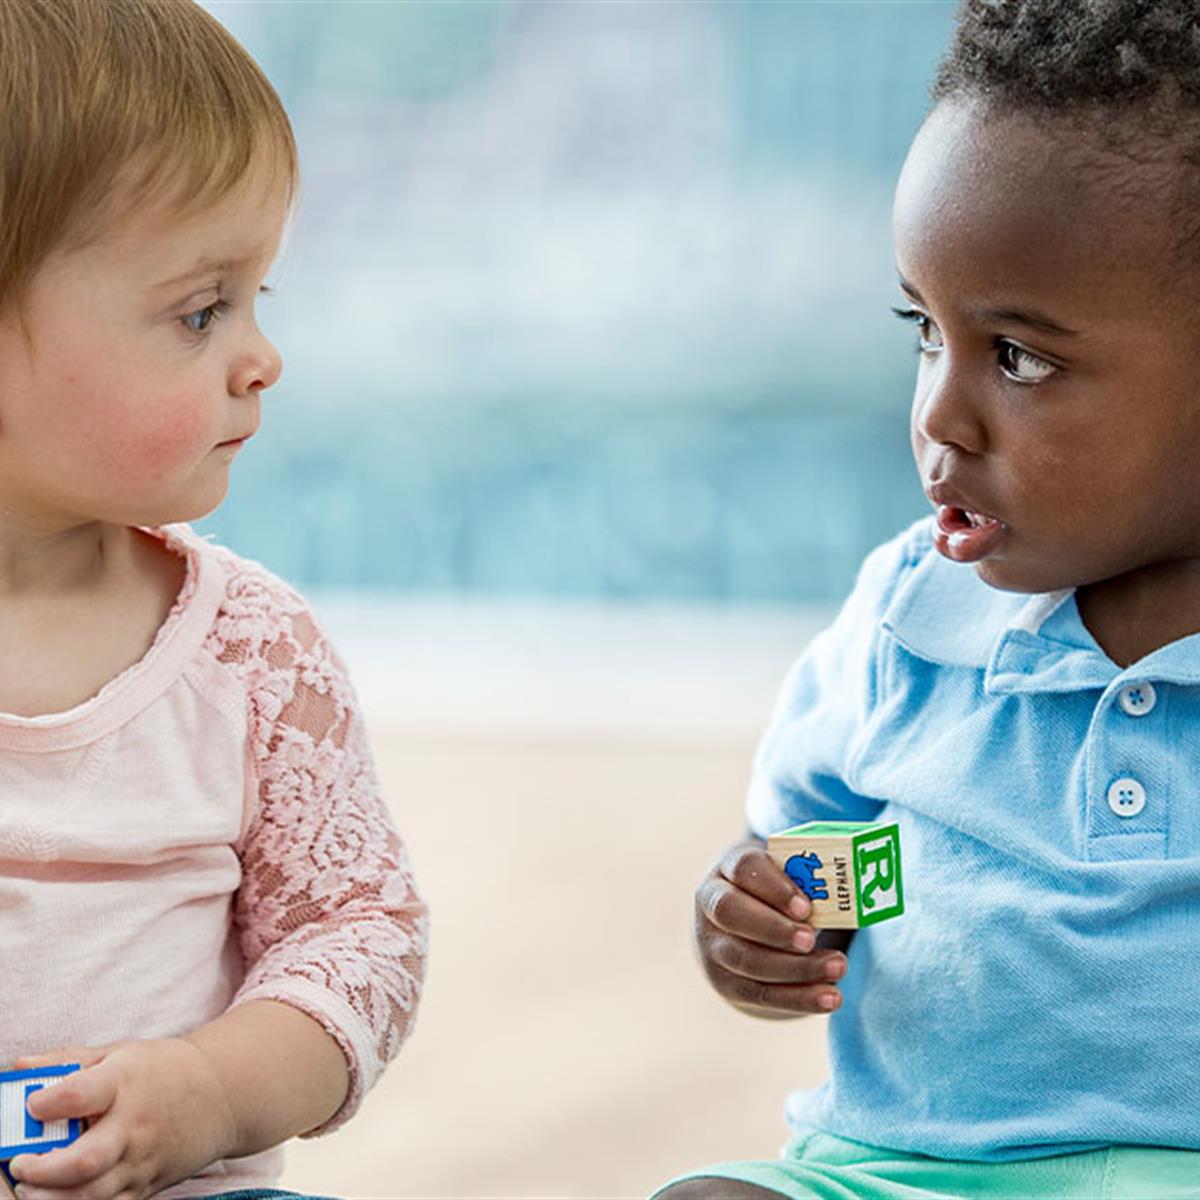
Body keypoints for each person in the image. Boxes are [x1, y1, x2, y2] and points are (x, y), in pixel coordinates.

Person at [654, 1, 1200, 1197]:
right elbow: (835, 853)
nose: (940, 415)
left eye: (1017, 357)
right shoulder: (910, 619)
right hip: (897, 1172)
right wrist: (761, 915)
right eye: (925, 330)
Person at [0, 2, 426, 1198]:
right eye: (200, 310)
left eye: (256, 300)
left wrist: (213, 1091)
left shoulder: (249, 653)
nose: (260, 357)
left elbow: (360, 938)